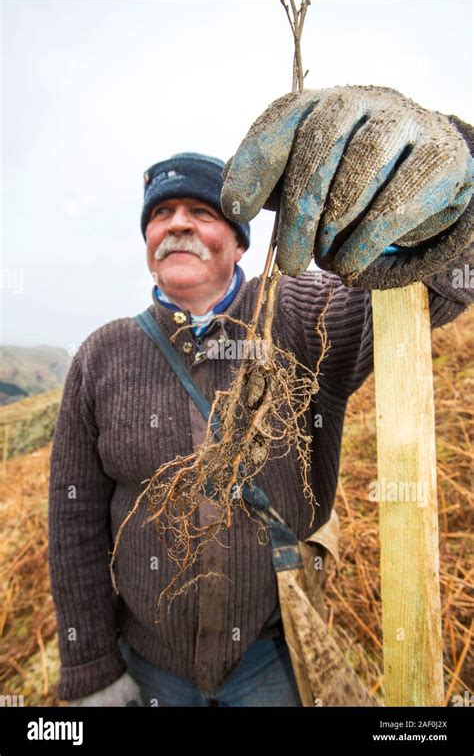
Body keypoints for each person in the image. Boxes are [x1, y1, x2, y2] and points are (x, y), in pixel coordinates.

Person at [48, 86, 474, 707]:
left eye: (203, 212)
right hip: (149, 665)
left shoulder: (304, 313)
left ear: (241, 241)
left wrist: (454, 185)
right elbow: (74, 519)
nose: (178, 225)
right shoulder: (101, 355)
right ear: (146, 243)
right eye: (161, 215)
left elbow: (426, 287)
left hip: (271, 659)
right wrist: (91, 670)